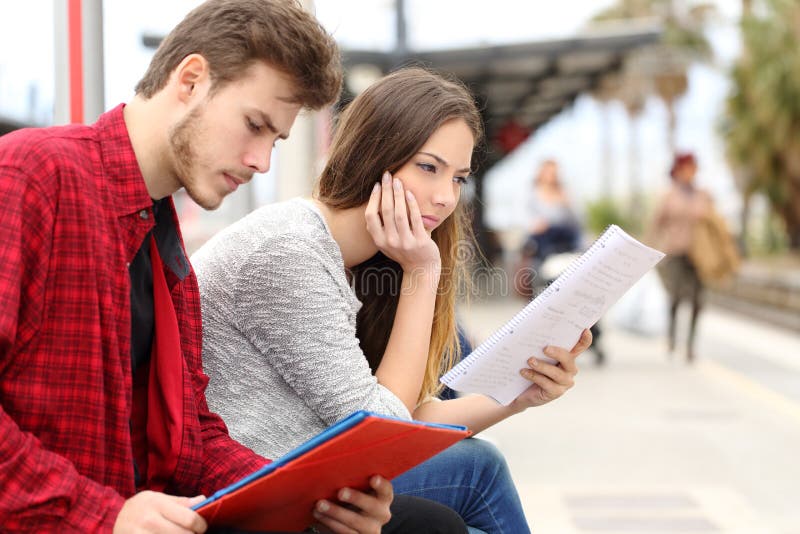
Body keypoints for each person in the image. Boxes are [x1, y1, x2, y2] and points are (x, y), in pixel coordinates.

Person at [0, 2, 470, 532]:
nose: (261, 161)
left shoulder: (162, 243)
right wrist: (103, 516)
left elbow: (193, 439)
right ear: (192, 79)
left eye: (276, 140)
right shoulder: (34, 175)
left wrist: (317, 504)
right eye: (254, 125)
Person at [193, 67, 592, 534]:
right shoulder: (289, 251)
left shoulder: (367, 260)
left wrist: (519, 396)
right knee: (470, 487)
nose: (445, 198)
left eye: (459, 178)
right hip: (258, 496)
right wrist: (422, 273)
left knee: (480, 466)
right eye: (428, 167)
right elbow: (385, 426)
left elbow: (408, 416)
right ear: (374, 155)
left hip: (316, 478)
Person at [646, 152, 713, 363]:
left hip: (699, 255)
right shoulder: (669, 195)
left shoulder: (703, 195)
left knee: (697, 299)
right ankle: (672, 341)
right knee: (674, 297)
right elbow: (656, 224)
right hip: (674, 252)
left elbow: (715, 224)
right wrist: (645, 250)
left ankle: (691, 346)